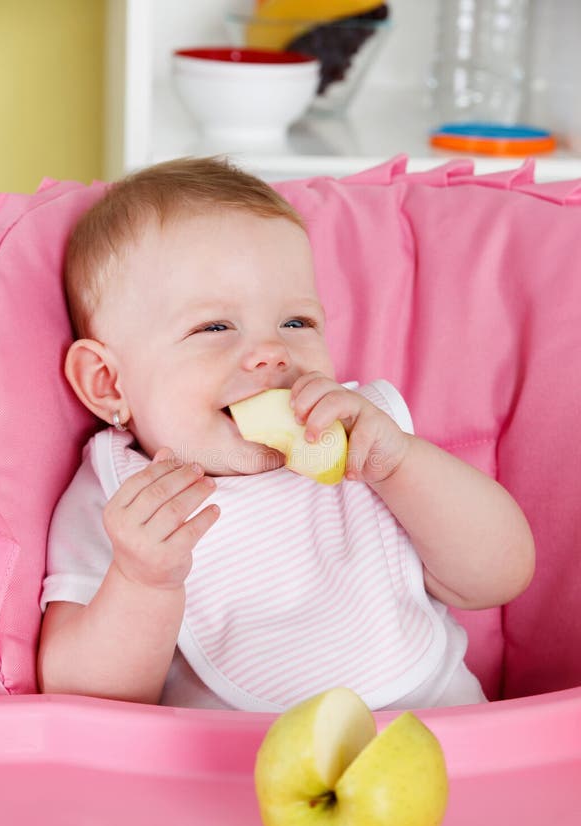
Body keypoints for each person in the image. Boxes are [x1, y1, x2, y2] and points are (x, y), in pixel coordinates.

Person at [37, 157, 535, 711]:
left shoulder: (365, 439)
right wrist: (142, 581)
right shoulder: (122, 501)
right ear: (108, 382)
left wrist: (399, 466)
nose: (273, 352)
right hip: (239, 779)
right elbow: (83, 698)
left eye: (296, 323)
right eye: (214, 327)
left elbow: (500, 577)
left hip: (446, 747)